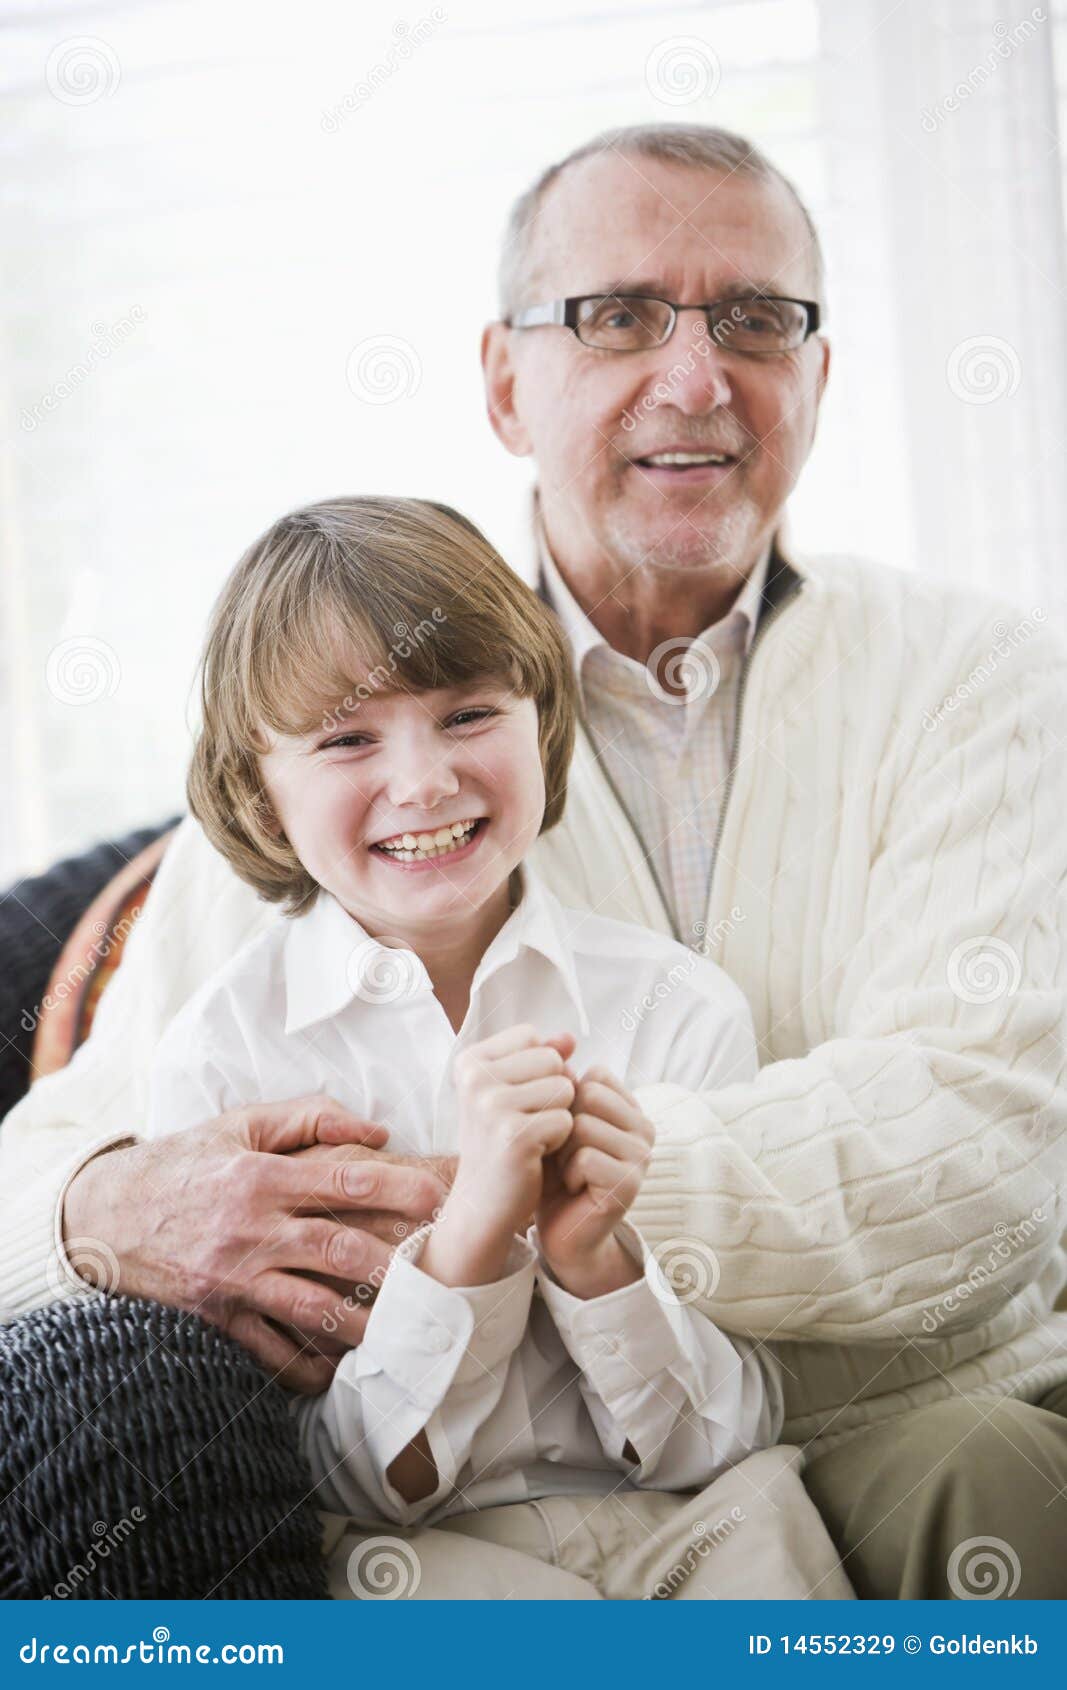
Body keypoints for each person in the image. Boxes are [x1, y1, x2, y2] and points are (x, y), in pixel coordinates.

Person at [2, 123, 1066, 1599]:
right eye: (616, 315)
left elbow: (987, 1145)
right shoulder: (351, 693)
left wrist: (549, 1192)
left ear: (818, 375)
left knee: (997, 1489)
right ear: (504, 382)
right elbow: (50, 1164)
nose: (694, 377)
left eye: (755, 319)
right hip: (457, 1501)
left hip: (892, 1408)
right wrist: (104, 1211)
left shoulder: (978, 677)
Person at [140, 492, 794, 1599]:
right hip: (407, 1562)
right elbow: (303, 1479)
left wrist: (595, 1265)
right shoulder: (223, 1061)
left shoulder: (680, 1009)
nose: (424, 782)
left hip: (694, 1520)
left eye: (468, 714)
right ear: (259, 792)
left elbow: (737, 1431)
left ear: (540, 721)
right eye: (347, 738)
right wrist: (468, 1248)